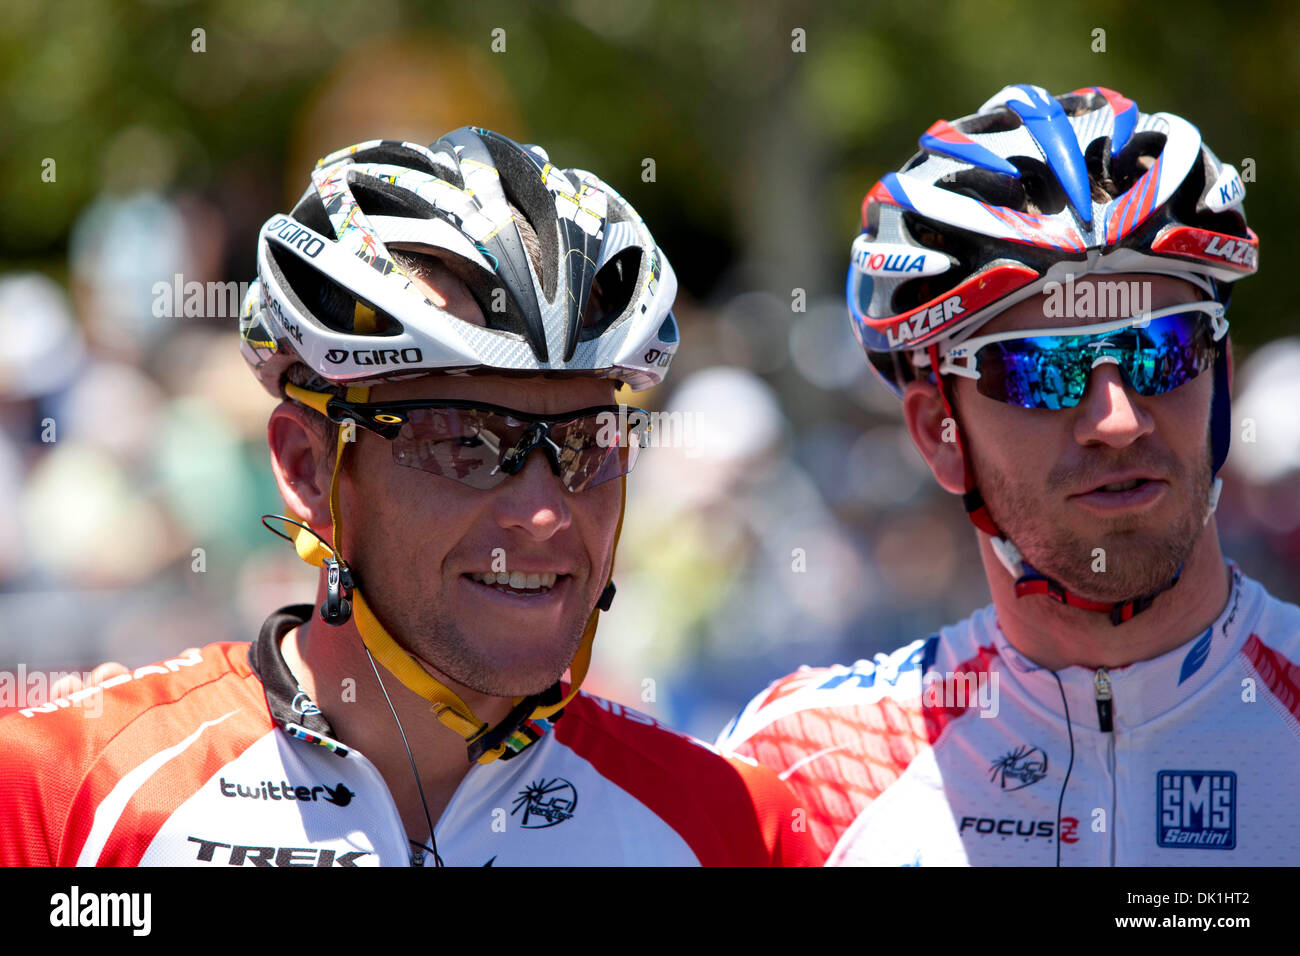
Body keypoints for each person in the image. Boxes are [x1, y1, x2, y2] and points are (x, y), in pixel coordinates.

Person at [0, 130, 816, 867]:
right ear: (307, 469)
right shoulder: (60, 791)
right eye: (465, 442)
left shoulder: (730, 825)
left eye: (583, 444)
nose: (544, 514)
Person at [718, 84, 1300, 865]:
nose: (1118, 419)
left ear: (1220, 374)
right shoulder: (801, 770)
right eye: (1039, 372)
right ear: (939, 432)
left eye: (1164, 349)